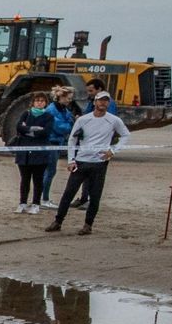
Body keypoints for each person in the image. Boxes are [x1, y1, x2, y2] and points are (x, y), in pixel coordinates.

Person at [46, 91, 128, 235]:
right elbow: (72, 139)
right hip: (81, 161)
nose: (103, 103)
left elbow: (126, 135)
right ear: (95, 102)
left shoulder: (114, 120)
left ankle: (88, 225)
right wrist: (71, 160)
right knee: (68, 194)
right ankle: (58, 221)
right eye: (100, 100)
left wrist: (113, 150)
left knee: (95, 196)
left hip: (99, 163)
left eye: (105, 101)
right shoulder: (83, 119)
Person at [10, 92, 56, 214]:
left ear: (46, 103)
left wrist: (28, 129)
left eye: (42, 101)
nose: (39, 102)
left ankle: (36, 204)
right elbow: (19, 127)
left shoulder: (48, 116)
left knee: (38, 179)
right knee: (24, 179)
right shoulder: (26, 114)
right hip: (24, 152)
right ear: (33, 102)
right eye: (37, 100)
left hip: (40, 153)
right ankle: (22, 203)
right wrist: (34, 129)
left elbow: (46, 132)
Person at [43, 86, 80, 207]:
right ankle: (44, 199)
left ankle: (43, 198)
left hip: (56, 143)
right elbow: (60, 128)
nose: (70, 100)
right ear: (61, 97)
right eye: (68, 98)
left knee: (49, 172)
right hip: (51, 143)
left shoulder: (63, 110)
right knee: (49, 172)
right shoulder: (51, 110)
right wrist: (72, 124)